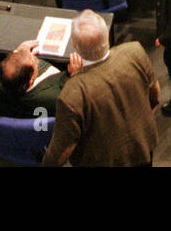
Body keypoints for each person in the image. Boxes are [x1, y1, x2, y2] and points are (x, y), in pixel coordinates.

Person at [42, 10, 160, 166]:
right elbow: (155, 91)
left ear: (75, 47)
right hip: (142, 147)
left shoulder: (72, 92)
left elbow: (63, 147)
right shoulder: (135, 52)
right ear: (107, 37)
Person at [0, 40, 71, 118]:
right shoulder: (53, 98)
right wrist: (75, 76)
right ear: (31, 80)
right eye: (34, 61)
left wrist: (17, 53)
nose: (35, 59)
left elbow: (8, 67)